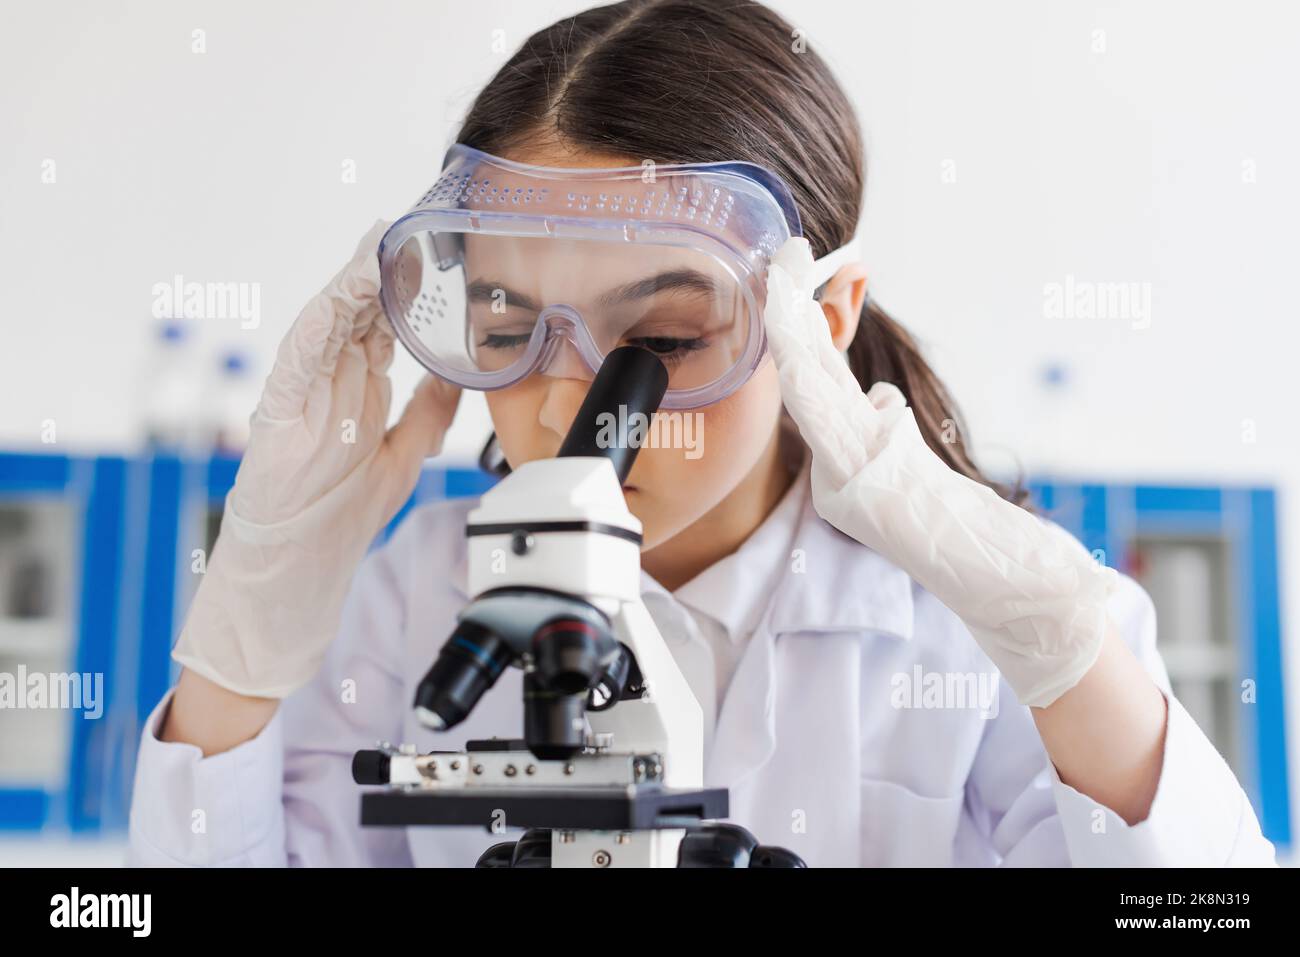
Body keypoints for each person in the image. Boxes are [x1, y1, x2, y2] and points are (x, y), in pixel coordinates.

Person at [128, 0, 1275, 867]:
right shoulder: (406, 602)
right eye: (507, 322)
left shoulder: (988, 629)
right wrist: (235, 652)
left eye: (662, 339)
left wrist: (1074, 667)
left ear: (816, 320)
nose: (571, 406)